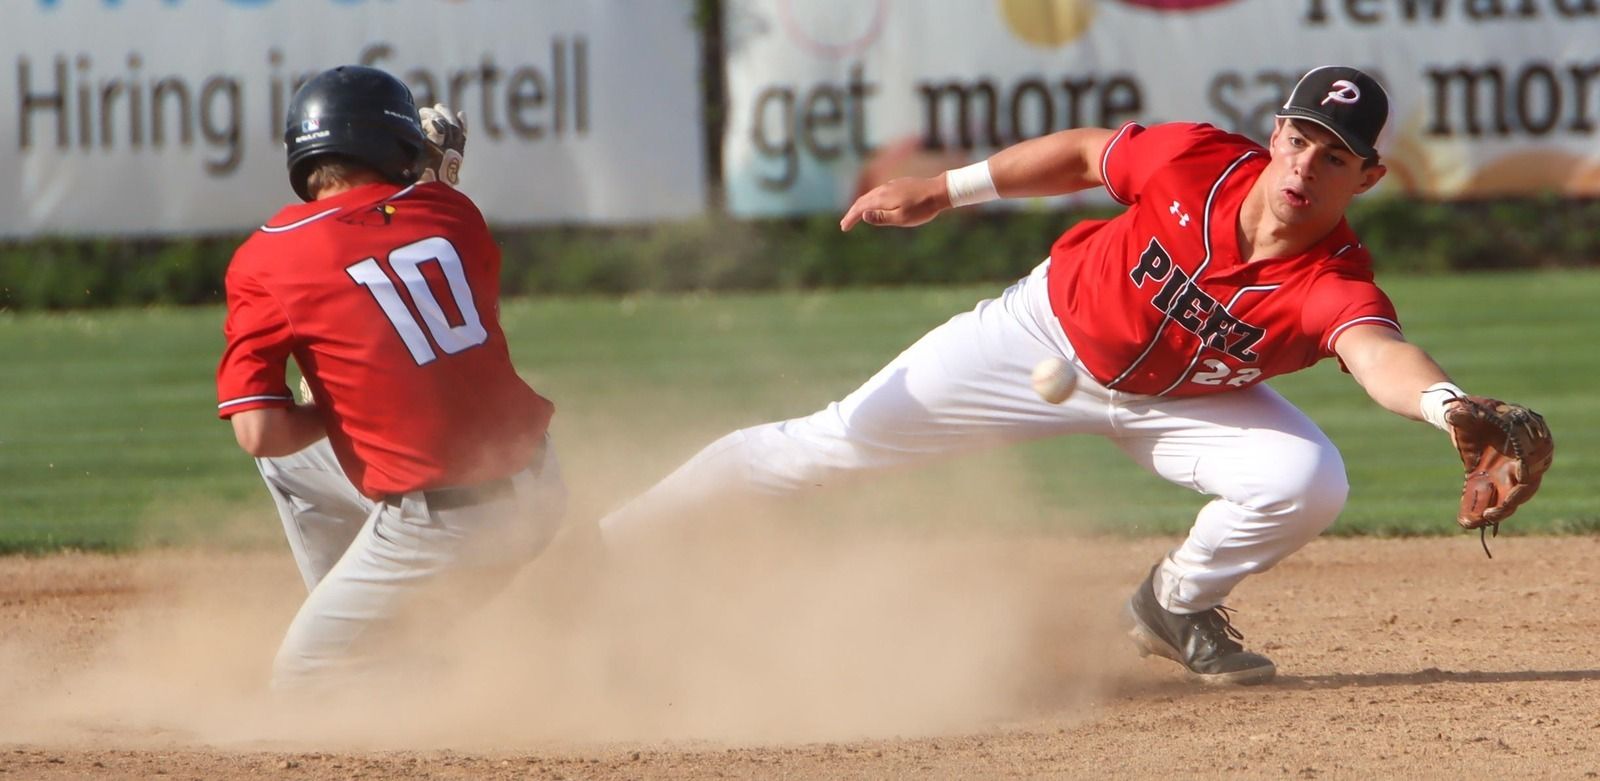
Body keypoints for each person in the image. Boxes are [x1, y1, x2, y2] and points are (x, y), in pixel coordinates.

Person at [597, 66, 1551, 685]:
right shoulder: (1191, 163)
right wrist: (940, 191)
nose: (1306, 164)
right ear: (1275, 132)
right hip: (1037, 337)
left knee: (1308, 477)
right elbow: (1084, 152)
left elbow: (1377, 353)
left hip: (1179, 402)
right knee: (832, 440)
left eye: (1335, 155)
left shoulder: (1328, 275)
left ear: (1368, 176)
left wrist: (1449, 406)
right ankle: (603, 547)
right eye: (1299, 137)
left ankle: (1170, 605)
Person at [215, 65, 564, 690]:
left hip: (447, 527)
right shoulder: (454, 215)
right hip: (541, 487)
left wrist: (334, 404)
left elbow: (259, 431)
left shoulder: (265, 257)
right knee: (296, 466)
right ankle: (376, 625)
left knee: (306, 682)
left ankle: (399, 670)